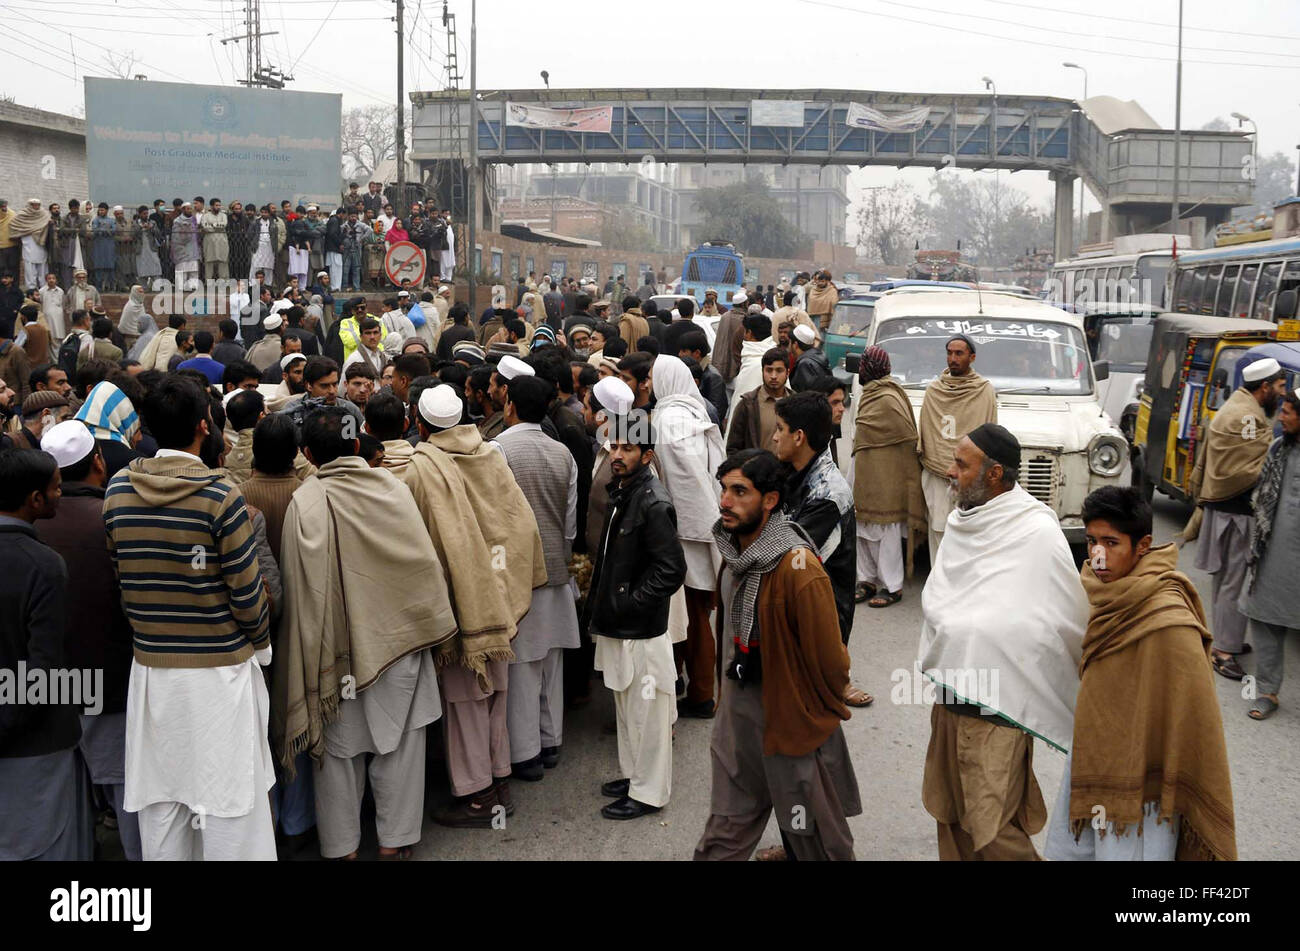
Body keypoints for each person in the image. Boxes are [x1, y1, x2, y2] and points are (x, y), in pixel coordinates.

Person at [103, 375, 275, 860]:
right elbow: (247, 594)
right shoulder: (222, 497)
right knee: (230, 810)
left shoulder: (117, 492)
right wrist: (260, 643)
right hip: (219, 675)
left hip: (154, 675)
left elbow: (124, 578)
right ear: (204, 426)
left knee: (165, 807)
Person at [274, 408, 456, 861]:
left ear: (309, 454)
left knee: (337, 756)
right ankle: (393, 846)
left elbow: (301, 592)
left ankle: (342, 850)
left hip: (334, 657)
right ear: (359, 445)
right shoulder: (392, 489)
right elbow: (424, 568)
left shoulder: (305, 502)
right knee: (401, 747)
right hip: (399, 642)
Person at [1041, 486, 1236, 861]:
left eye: (1111, 543)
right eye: (1093, 541)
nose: (1097, 555)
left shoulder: (1169, 618)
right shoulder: (1103, 591)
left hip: (1144, 789)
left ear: (1143, 545)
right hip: (1095, 762)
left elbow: (1194, 719)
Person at [919, 423, 1085, 861]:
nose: (950, 472)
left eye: (961, 464)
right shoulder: (963, 521)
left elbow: (1063, 619)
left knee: (992, 833)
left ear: (994, 474)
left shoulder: (1035, 531)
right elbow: (944, 602)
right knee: (949, 817)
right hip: (950, 701)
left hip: (998, 711)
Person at [693, 449, 860, 860]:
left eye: (739, 492)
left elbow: (831, 660)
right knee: (725, 831)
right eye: (723, 489)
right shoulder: (734, 555)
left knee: (815, 840)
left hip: (788, 724)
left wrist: (812, 717)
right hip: (738, 720)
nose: (724, 502)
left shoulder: (797, 565)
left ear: (769, 500)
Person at [403, 384, 547, 826]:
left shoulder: (422, 468)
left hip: (462, 600)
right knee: (495, 694)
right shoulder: (491, 453)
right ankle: (498, 779)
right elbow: (519, 524)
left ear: (422, 424)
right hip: (499, 597)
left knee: (465, 701)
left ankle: (479, 796)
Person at [37, 421, 141, 860]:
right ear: (98, 462)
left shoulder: (31, 528)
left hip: (45, 687)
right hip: (112, 682)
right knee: (125, 788)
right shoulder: (115, 520)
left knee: (68, 791)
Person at [584, 405, 685, 819]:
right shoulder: (624, 489)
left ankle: (648, 793)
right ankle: (633, 776)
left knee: (648, 716)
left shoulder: (653, 500)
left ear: (647, 455)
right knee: (628, 709)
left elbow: (671, 569)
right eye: (614, 446)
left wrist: (630, 602)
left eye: (628, 448)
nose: (617, 454)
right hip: (619, 625)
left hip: (640, 629)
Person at [0, 446, 95, 861]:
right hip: (35, 744)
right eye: (56, 489)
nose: (62, 495)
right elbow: (43, 669)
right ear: (34, 500)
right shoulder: (42, 564)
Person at [491, 375, 581, 781]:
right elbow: (568, 522)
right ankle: (551, 741)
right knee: (550, 664)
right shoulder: (562, 452)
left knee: (522, 669)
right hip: (556, 571)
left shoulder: (498, 449)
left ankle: (525, 753)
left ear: (509, 404)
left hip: (516, 575)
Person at [1188, 357, 1286, 680]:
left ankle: (1226, 639)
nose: (1283, 395)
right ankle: (1223, 651)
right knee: (1233, 582)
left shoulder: (1240, 405)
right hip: (1236, 512)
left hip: (1227, 509)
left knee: (1227, 581)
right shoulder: (1246, 416)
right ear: (1265, 387)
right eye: (1281, 388)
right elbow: (1245, 470)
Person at [772, 391, 869, 709]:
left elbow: (786, 555)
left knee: (808, 716)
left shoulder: (827, 495)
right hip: (793, 613)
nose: (774, 438)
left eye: (779, 429)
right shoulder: (792, 473)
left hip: (818, 621)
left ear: (798, 437)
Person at [650, 356, 726, 718]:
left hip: (684, 534)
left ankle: (700, 694)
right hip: (704, 530)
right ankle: (690, 685)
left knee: (690, 619)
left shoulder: (667, 420)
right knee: (694, 615)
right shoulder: (697, 412)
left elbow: (683, 483)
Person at [1238, 390, 1300, 720]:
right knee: (1263, 618)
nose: (1281, 417)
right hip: (1273, 552)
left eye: (1289, 412)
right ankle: (1267, 691)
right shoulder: (1278, 449)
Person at [850, 346, 925, 608]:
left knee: (887, 531)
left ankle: (891, 586)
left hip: (888, 476)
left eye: (864, 365)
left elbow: (907, 435)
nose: (860, 370)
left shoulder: (889, 397)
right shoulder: (869, 393)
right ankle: (867, 580)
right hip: (866, 471)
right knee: (863, 528)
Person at [917, 334, 997, 556]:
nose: (953, 358)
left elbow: (989, 434)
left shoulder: (984, 391)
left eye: (959, 353)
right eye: (949, 353)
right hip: (937, 475)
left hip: (970, 477)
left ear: (971, 357)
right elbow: (926, 433)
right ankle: (938, 583)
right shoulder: (933, 390)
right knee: (938, 529)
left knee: (968, 532)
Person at [725, 347, 787, 453]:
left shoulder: (796, 403)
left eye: (779, 371)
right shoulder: (748, 404)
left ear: (787, 372)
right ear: (762, 371)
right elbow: (733, 447)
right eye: (769, 370)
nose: (773, 376)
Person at [788, 324, 831, 392]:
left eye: (789, 343)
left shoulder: (805, 364)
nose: (789, 346)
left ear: (795, 345)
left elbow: (806, 395)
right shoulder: (819, 355)